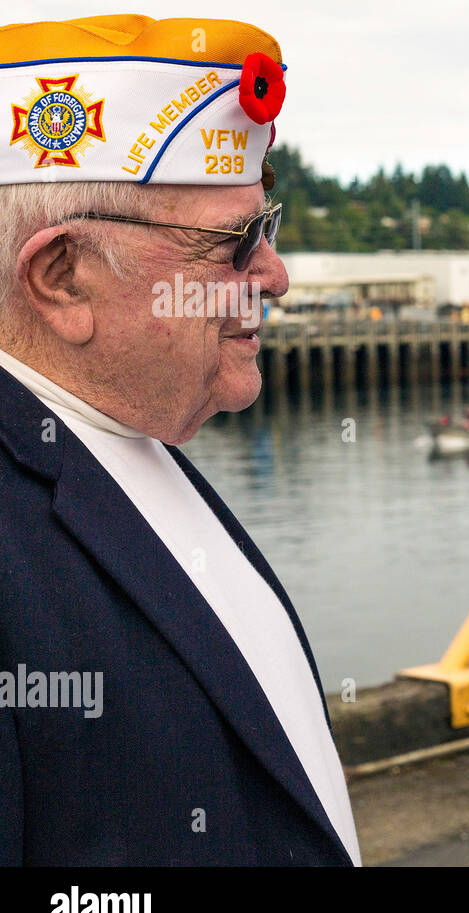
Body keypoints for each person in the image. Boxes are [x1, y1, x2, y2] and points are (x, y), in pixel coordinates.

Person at [0, 15, 359, 865]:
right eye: (235, 242)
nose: (274, 273)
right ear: (63, 278)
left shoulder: (128, 435)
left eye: (264, 227)